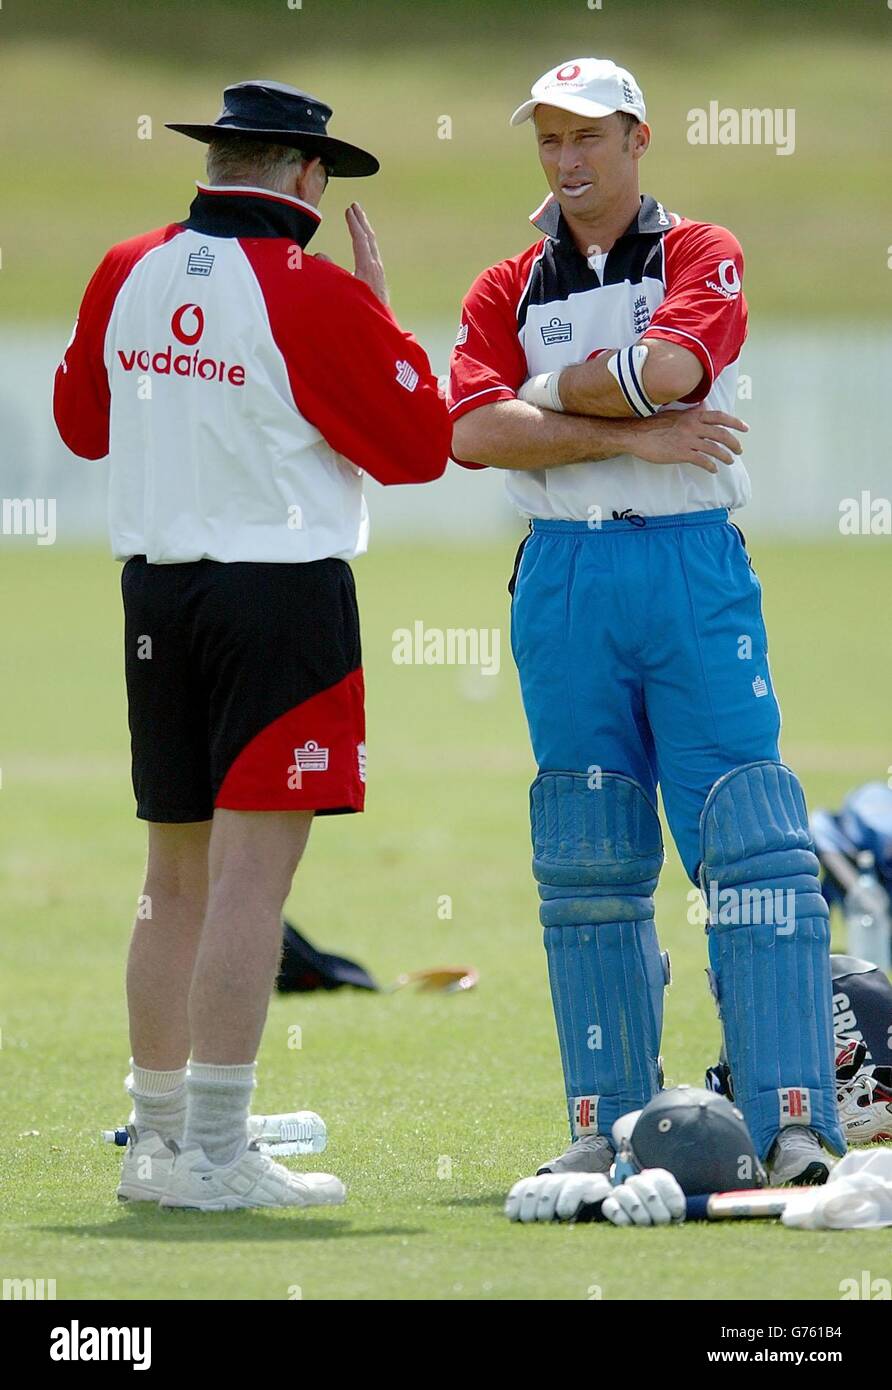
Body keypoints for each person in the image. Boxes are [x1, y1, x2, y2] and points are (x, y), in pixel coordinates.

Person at [53, 79, 450, 1211]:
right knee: (250, 882)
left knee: (170, 882)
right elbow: (420, 444)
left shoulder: (122, 264)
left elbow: (82, 427)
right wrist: (379, 316)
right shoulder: (307, 289)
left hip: (155, 600)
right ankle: (218, 1154)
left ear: (217, 160)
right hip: (278, 603)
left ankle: (160, 1144)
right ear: (306, 176)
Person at [449, 57, 845, 1186]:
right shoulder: (501, 285)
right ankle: (610, 1121)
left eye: (588, 138)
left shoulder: (700, 251)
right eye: (549, 142)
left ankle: (791, 1124)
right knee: (585, 854)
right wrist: (629, 423)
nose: (567, 162)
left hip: (687, 565)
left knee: (752, 841)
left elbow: (674, 362)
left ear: (637, 138)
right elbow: (472, 432)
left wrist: (556, 390)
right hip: (563, 573)